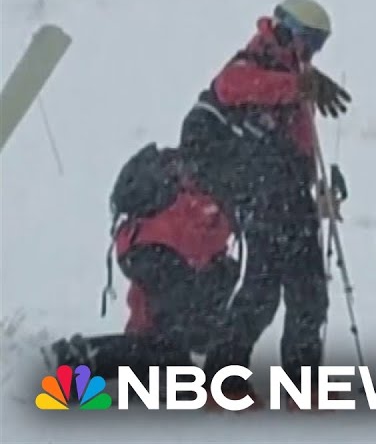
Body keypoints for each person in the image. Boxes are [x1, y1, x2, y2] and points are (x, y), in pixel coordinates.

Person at [183, 0, 351, 407]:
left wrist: (319, 186)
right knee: (266, 293)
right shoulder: (253, 63)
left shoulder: (296, 75)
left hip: (289, 195)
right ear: (286, 30)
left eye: (319, 46)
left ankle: (297, 387)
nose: (311, 53)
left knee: (305, 293)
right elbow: (231, 86)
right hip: (260, 195)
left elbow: (299, 143)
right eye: (309, 41)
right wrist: (299, 84)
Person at [44, 146, 238, 377]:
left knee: (161, 343)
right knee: (172, 353)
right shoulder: (210, 193)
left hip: (140, 244)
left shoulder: (190, 177)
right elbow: (205, 235)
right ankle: (75, 362)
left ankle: (86, 361)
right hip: (153, 247)